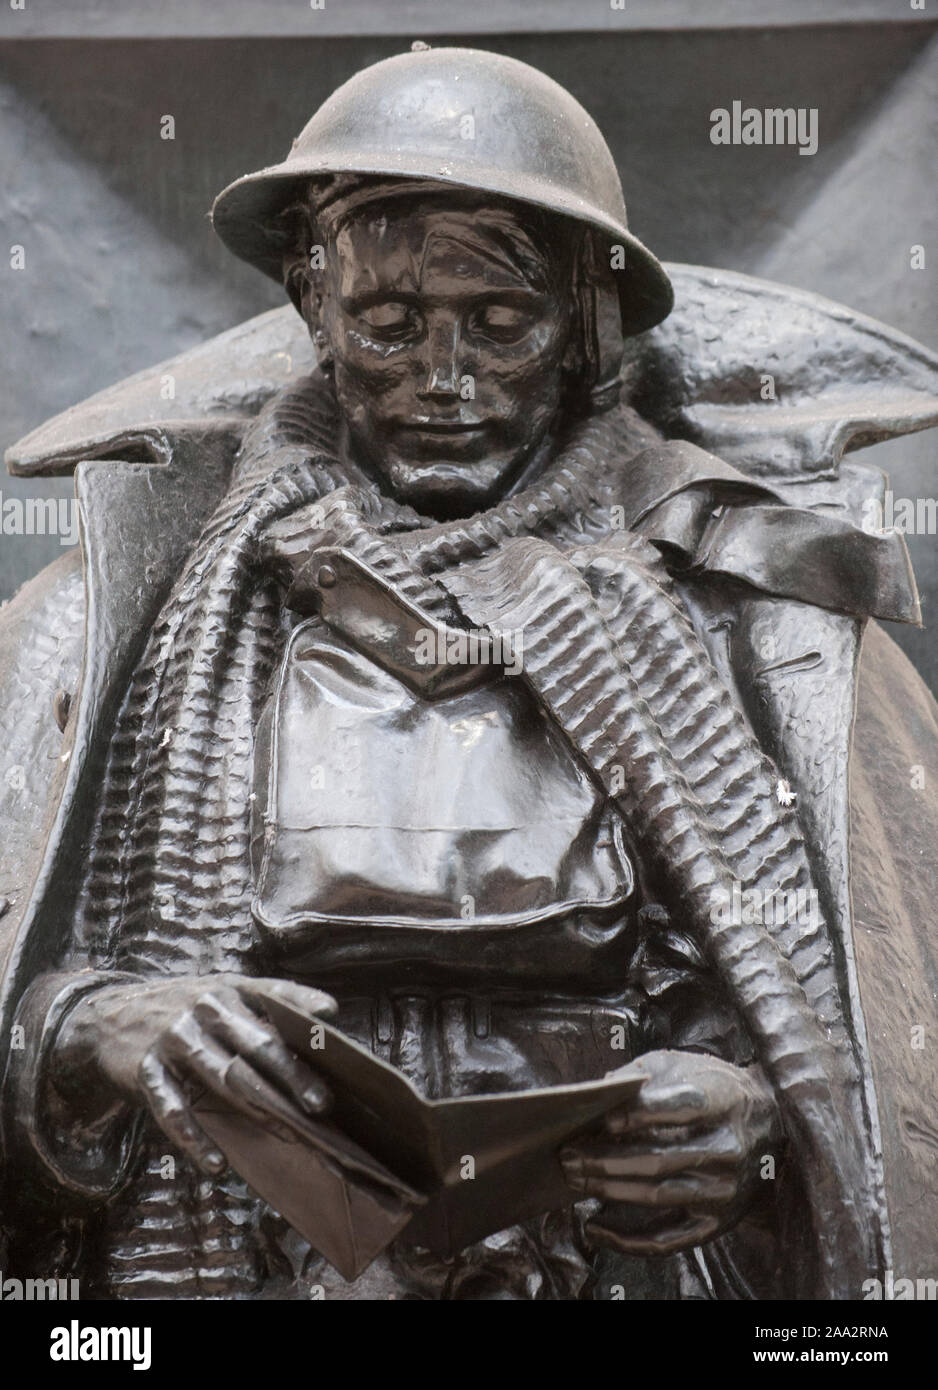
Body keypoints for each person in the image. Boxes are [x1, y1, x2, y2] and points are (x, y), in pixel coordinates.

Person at [2, 46, 937, 1301]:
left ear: (582, 329)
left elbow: (870, 1042)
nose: (444, 379)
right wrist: (79, 1033)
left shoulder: (745, 620)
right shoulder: (122, 619)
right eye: (389, 326)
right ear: (313, 310)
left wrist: (753, 1118)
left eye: (500, 324)